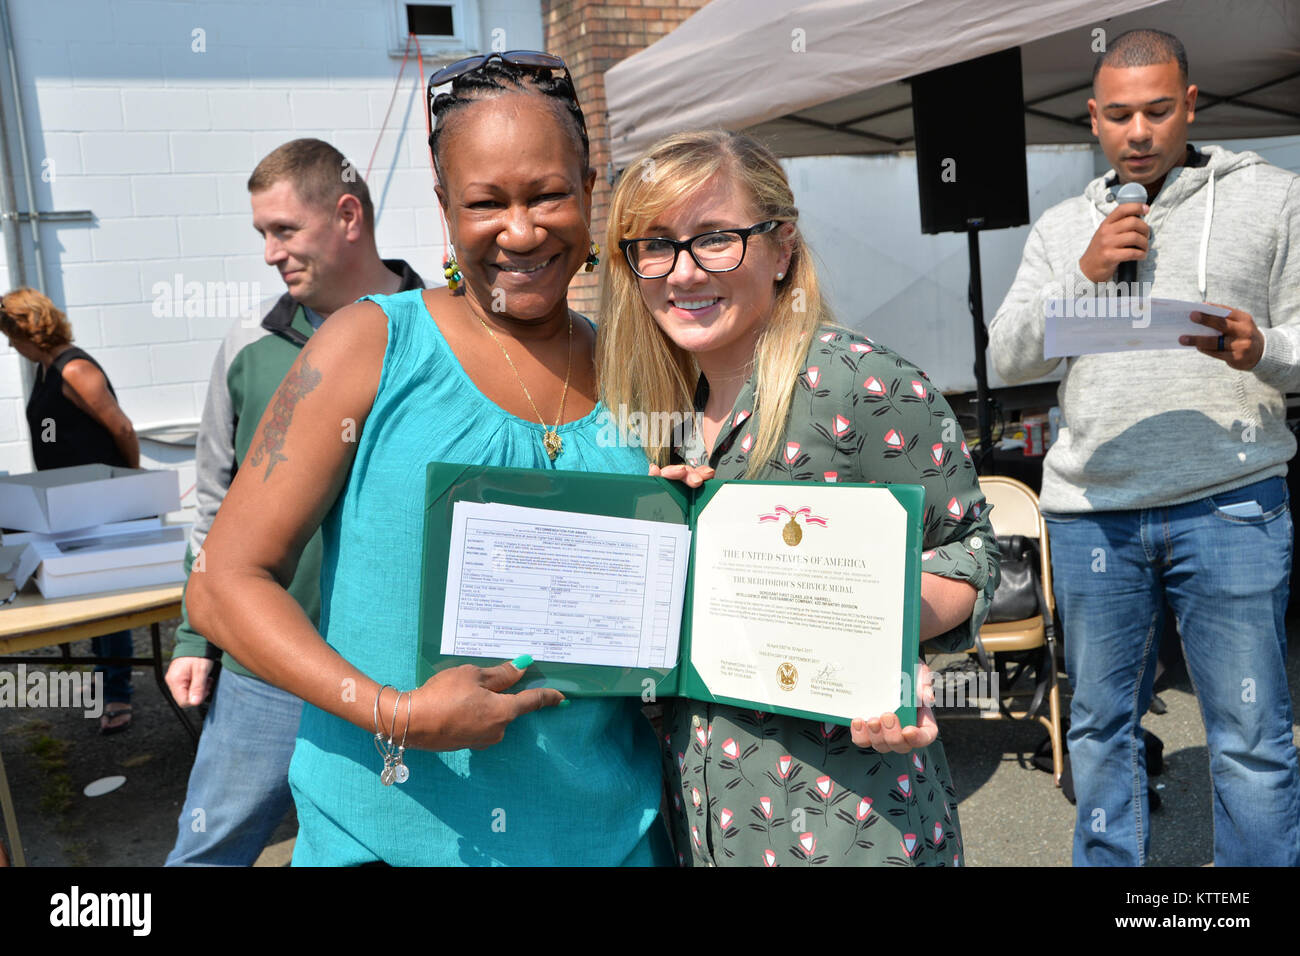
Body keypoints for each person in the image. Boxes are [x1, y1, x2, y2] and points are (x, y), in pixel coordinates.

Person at [186, 53, 670, 866]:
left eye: (548, 194)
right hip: (389, 838)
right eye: (487, 203)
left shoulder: (643, 365)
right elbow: (223, 587)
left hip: (609, 839)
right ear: (446, 209)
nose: (521, 231)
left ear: (591, 190)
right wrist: (395, 711)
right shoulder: (369, 345)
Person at [597, 129, 999, 866]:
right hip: (699, 814)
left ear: (781, 248)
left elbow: (969, 552)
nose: (683, 273)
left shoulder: (859, 382)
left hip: (846, 819)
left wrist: (874, 644)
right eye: (655, 245)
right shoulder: (645, 410)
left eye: (715, 239)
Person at [988, 29, 1300, 866]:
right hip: (1095, 516)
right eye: (1119, 114)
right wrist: (1083, 273)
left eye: (1158, 111)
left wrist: (1261, 347)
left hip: (1229, 504)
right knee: (1098, 726)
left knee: (1251, 733)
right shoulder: (1064, 228)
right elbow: (1006, 355)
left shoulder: (1271, 198)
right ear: (1092, 120)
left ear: (1190, 105)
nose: (1139, 131)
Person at [163, 139, 424, 865]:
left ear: (348, 216)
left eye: (283, 231)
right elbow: (212, 495)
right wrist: (195, 633)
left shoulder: (445, 333)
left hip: (395, 673)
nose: (270, 254)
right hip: (267, 671)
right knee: (207, 852)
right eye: (262, 235)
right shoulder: (249, 343)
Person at [1, 287, 140, 734]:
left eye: (11, 335)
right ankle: (106, 679)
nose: (9, 345)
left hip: (97, 501)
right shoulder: (46, 371)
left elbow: (122, 427)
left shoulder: (75, 369)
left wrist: (128, 484)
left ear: (29, 331)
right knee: (88, 595)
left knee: (106, 597)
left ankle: (118, 691)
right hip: (69, 502)